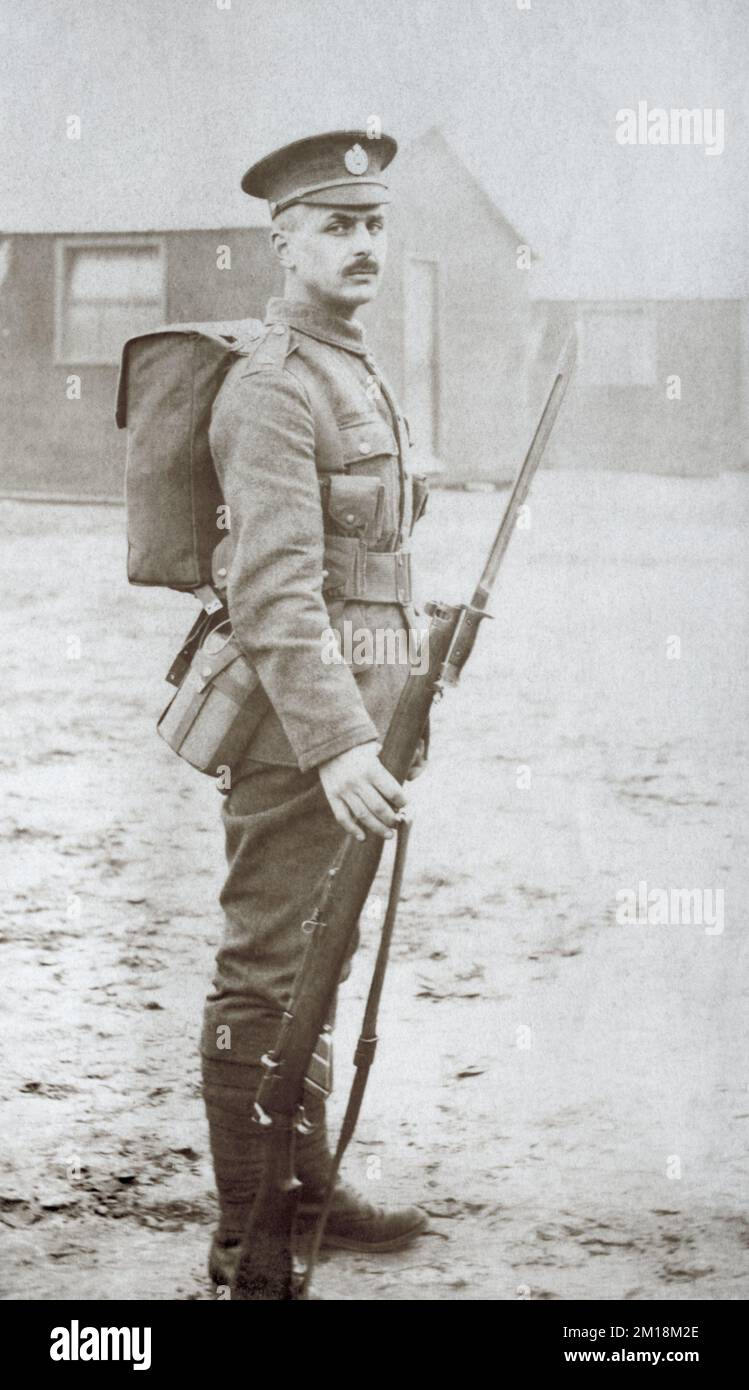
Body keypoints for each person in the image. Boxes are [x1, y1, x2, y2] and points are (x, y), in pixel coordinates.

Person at [200, 129, 431, 1289]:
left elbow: (377, 562)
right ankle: (248, 1228)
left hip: (360, 715)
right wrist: (342, 742)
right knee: (264, 965)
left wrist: (405, 700)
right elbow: (276, 595)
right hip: (297, 733)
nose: (361, 246)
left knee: (322, 952)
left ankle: (304, 1179)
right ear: (280, 241)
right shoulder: (274, 385)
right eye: (336, 226)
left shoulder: (354, 365)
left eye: (373, 224)